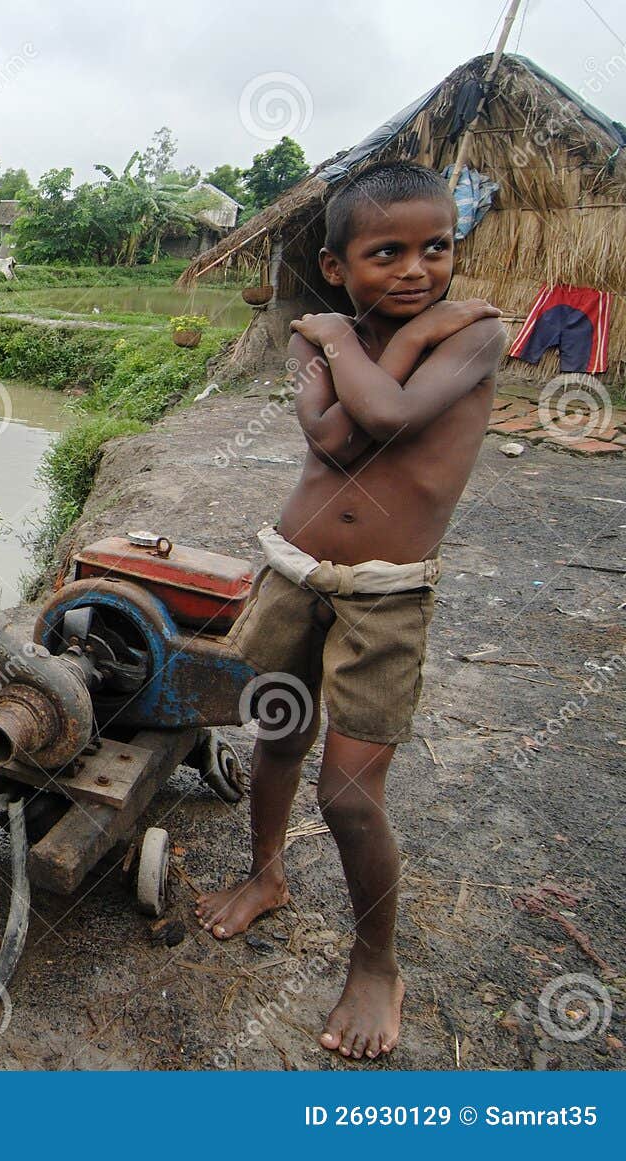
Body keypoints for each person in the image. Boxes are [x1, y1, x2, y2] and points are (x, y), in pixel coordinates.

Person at [195, 161, 507, 1060]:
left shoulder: (474, 336)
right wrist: (339, 343)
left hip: (386, 597)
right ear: (337, 266)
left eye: (436, 248)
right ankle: (266, 875)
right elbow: (334, 435)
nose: (416, 271)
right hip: (296, 573)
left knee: (347, 791)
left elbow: (393, 415)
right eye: (387, 253)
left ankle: (377, 962)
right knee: (278, 737)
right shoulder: (316, 337)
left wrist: (365, 344)